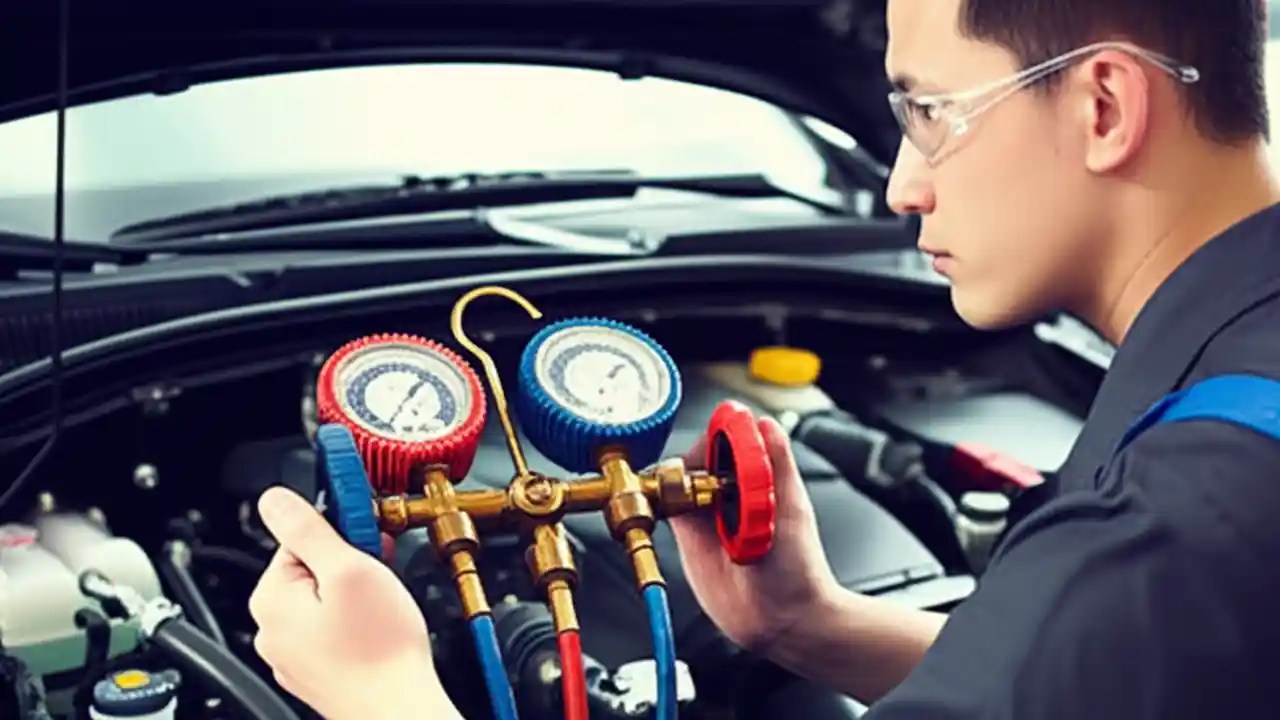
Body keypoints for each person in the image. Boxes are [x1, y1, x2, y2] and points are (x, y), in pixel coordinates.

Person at [247, 0, 1280, 717]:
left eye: (927, 114)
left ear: (1103, 108)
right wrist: (810, 626)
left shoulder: (1178, 520)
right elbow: (1105, 684)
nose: (901, 187)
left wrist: (382, 695)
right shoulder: (1231, 420)